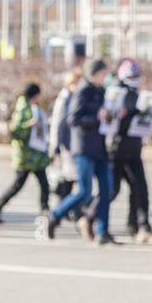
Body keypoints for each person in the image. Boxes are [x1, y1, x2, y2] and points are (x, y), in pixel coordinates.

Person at [39, 58, 116, 245]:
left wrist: (112, 116)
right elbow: (73, 119)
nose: (106, 77)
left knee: (108, 189)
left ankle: (102, 231)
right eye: (103, 73)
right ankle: (54, 215)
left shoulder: (101, 90)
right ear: (94, 73)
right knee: (84, 191)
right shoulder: (83, 89)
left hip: (99, 147)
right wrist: (96, 118)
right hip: (83, 147)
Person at [97, 59, 152, 244]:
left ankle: (140, 226)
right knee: (112, 189)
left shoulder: (135, 94)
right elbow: (108, 122)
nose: (136, 79)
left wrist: (149, 113)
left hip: (133, 148)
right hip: (117, 148)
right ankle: (89, 216)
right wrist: (121, 114)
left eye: (137, 76)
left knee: (140, 188)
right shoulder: (114, 93)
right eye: (132, 76)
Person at [0, 83, 50, 222]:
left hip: (35, 155)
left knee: (43, 184)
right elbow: (15, 131)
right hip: (26, 156)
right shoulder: (23, 109)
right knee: (18, 185)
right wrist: (29, 125)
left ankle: (45, 209)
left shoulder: (32, 108)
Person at [48, 68, 82, 215]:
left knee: (72, 177)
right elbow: (58, 123)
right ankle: (64, 208)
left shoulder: (74, 97)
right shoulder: (64, 99)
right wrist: (55, 145)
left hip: (74, 143)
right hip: (66, 144)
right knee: (69, 177)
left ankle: (65, 207)